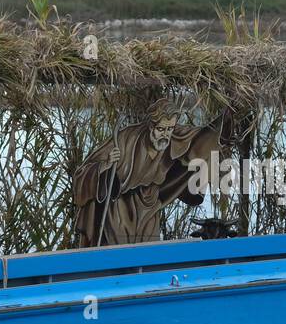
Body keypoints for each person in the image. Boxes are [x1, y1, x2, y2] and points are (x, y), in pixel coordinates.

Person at [71, 99, 221, 247]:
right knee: (118, 253)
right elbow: (82, 173)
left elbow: (205, 137)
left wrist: (223, 125)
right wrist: (106, 164)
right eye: (161, 129)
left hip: (149, 209)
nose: (166, 135)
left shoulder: (175, 137)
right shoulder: (126, 138)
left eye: (170, 129)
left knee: (148, 251)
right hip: (119, 210)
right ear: (150, 126)